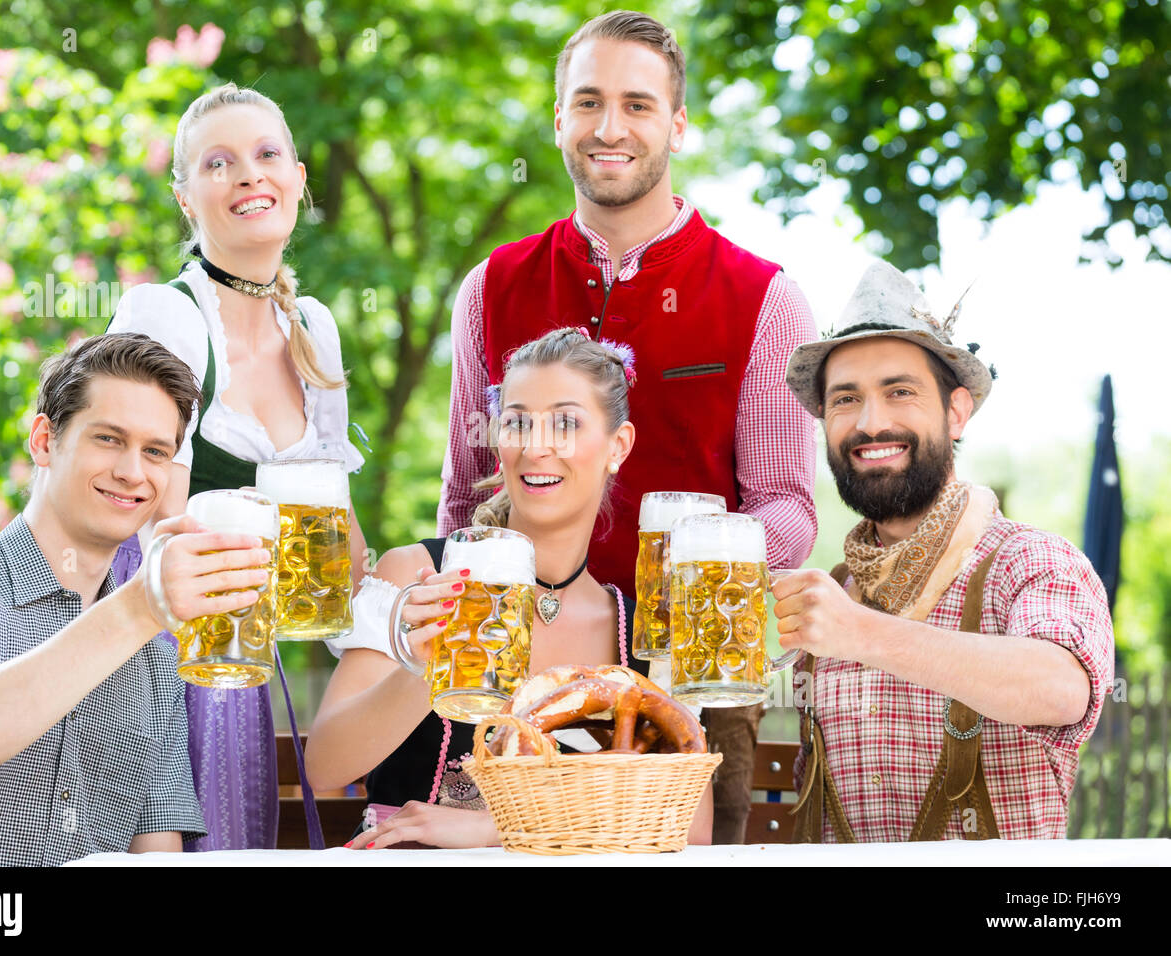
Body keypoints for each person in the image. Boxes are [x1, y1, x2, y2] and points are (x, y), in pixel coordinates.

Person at [435, 10, 817, 844]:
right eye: (588, 103)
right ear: (560, 118)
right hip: (518, 671)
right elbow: (463, 496)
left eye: (639, 105)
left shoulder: (765, 298)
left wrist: (697, 578)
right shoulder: (490, 287)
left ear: (678, 124)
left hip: (691, 680)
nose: (611, 128)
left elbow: (789, 504)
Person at [0, 333, 275, 865]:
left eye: (156, 451)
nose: (133, 471)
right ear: (43, 440)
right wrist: (139, 608)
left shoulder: (153, 650)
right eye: (108, 439)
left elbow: (156, 853)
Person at [308, 327, 711, 848]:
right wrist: (421, 669)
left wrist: (499, 831)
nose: (536, 446)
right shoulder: (417, 575)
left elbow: (693, 832)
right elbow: (324, 766)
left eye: (566, 422)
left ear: (618, 446)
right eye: (517, 422)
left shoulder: (642, 633)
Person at [106, 83, 367, 850]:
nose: (249, 174)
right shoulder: (166, 316)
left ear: (296, 176)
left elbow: (343, 555)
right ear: (187, 200)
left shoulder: (312, 326)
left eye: (266, 154)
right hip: (161, 643)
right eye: (218, 164)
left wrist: (399, 616)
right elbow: (157, 531)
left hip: (245, 659)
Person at [776, 261, 1115, 841]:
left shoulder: (1030, 561)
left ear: (956, 412)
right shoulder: (836, 590)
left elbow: (1062, 688)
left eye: (899, 392)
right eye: (845, 399)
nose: (870, 422)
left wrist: (859, 633)